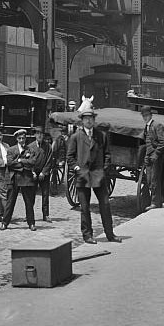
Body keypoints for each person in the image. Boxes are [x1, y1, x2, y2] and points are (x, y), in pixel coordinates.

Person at [66, 104, 121, 245]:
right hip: (83, 176)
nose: (89, 121)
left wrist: (104, 169)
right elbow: (70, 157)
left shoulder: (101, 136)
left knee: (105, 204)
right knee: (84, 208)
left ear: (94, 120)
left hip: (98, 175)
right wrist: (77, 168)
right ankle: (87, 235)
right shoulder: (75, 137)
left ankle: (110, 234)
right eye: (86, 118)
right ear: (82, 120)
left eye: (91, 118)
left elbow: (107, 154)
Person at [2, 129, 40, 230]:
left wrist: (19, 160)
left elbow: (32, 162)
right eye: (19, 138)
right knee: (10, 201)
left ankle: (31, 223)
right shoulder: (11, 150)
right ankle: (5, 222)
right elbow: (10, 163)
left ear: (25, 138)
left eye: (23, 138)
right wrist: (23, 165)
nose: (22, 140)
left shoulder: (30, 149)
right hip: (14, 178)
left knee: (29, 202)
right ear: (16, 139)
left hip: (26, 179)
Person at [141, 105, 164, 210]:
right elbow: (147, 143)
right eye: (144, 116)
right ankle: (155, 201)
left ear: (151, 115)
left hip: (156, 157)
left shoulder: (157, 126)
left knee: (154, 180)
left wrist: (156, 154)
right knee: (149, 180)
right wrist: (147, 156)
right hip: (149, 157)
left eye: (147, 115)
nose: (145, 117)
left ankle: (155, 202)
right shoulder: (147, 127)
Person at [34, 125, 54, 222]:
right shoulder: (30, 147)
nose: (39, 136)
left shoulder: (48, 147)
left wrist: (43, 172)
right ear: (35, 135)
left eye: (41, 134)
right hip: (33, 174)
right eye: (37, 134)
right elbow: (28, 160)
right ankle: (29, 214)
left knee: (45, 194)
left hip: (44, 174)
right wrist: (32, 172)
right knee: (30, 195)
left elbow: (49, 161)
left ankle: (45, 215)